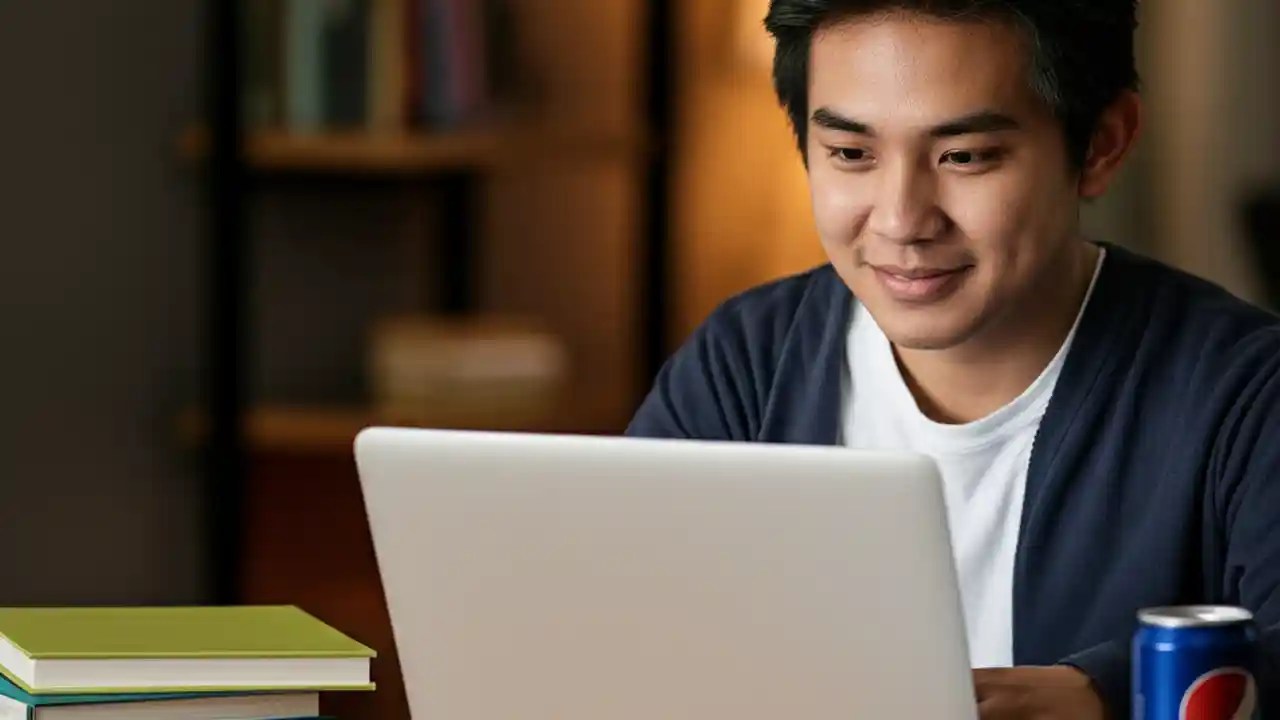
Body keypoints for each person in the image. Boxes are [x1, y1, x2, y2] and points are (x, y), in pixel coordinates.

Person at [625, 1, 1280, 717]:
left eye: (963, 157)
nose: (902, 220)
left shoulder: (1246, 391)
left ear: (1101, 145)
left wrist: (1105, 694)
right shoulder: (747, 362)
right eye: (851, 154)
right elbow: (622, 630)